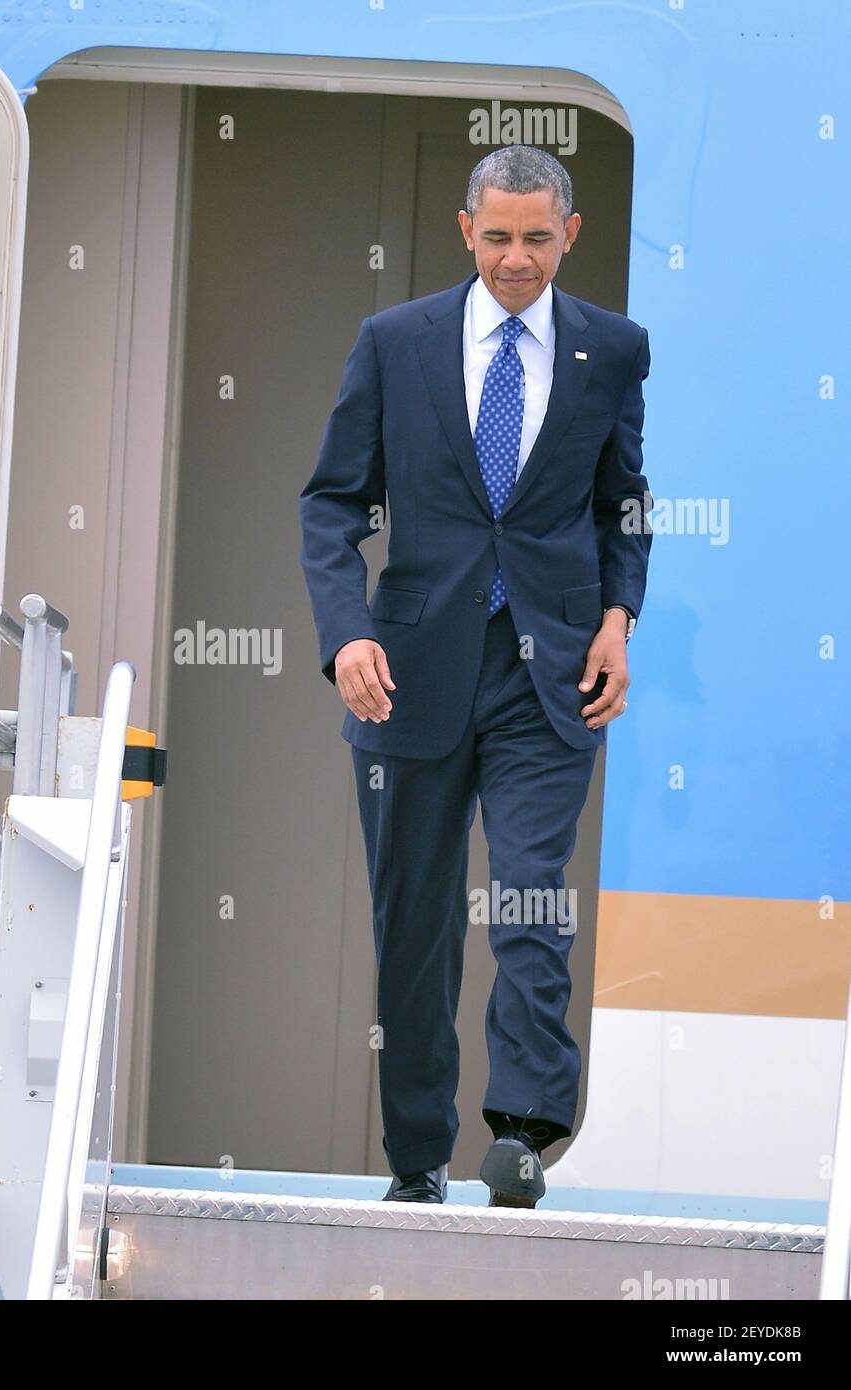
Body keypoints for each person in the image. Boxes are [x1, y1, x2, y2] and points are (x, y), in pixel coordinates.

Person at [298, 144, 651, 1206]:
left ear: (569, 234)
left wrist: (617, 619)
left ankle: (525, 1134)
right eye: (496, 237)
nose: (515, 259)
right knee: (416, 926)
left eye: (537, 238)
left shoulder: (612, 349)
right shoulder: (394, 342)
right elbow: (332, 503)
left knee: (532, 897)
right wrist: (345, 635)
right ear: (466, 230)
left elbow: (623, 504)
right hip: (406, 672)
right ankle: (417, 1159)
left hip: (551, 674)